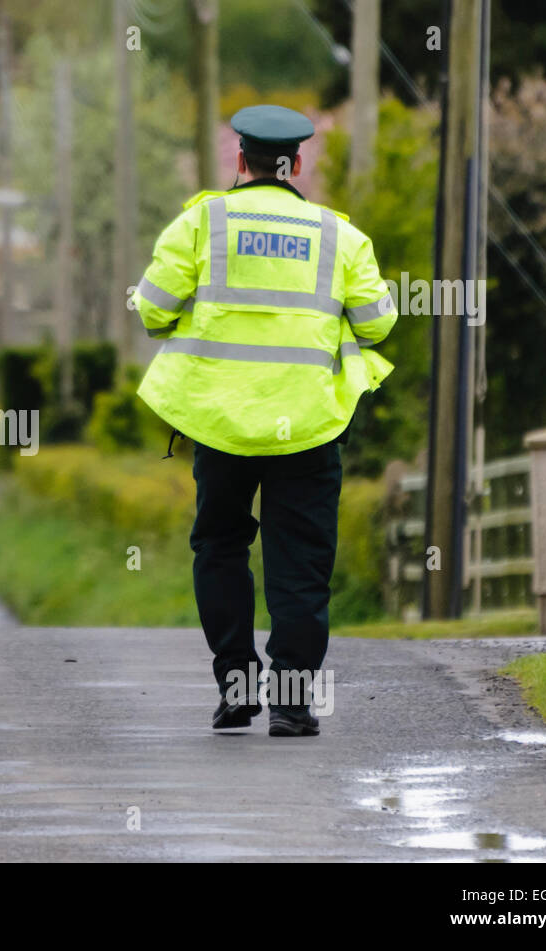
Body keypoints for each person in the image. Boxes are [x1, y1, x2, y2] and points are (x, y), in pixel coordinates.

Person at [133, 105, 398, 737]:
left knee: (221, 547)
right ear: (297, 164)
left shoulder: (201, 223)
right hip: (308, 427)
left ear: (240, 161)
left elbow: (151, 312)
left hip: (221, 426)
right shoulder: (340, 237)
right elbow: (379, 322)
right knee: (300, 562)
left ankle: (235, 688)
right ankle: (292, 703)